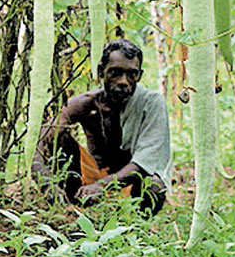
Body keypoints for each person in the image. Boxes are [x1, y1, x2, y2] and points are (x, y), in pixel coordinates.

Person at [32, 38, 172, 216]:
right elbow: (39, 142)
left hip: (127, 184)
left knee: (154, 186)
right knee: (59, 139)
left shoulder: (151, 104)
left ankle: (137, 225)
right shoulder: (86, 104)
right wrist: (47, 183)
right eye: (115, 73)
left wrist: (102, 185)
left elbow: (144, 163)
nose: (123, 81)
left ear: (140, 75)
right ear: (101, 72)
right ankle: (70, 207)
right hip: (91, 181)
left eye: (132, 74)